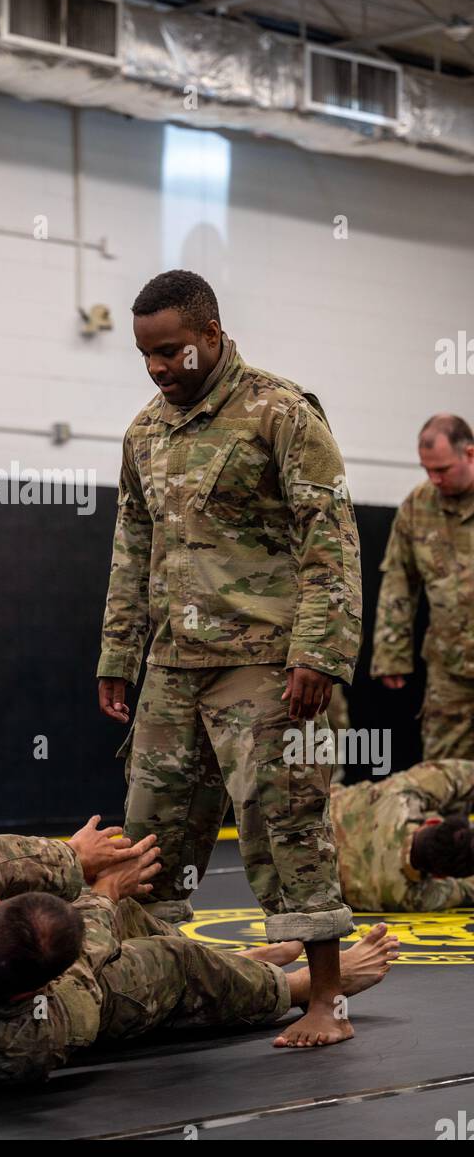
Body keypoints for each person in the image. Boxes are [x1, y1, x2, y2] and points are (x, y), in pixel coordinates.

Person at [97, 270, 362, 1047]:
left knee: (285, 821)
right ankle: (160, 985)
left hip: (265, 657)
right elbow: (131, 547)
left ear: (211, 335)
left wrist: (318, 651)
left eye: (171, 351)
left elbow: (331, 540)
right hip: (175, 663)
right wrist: (118, 650)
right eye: (145, 355)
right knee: (150, 832)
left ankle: (325, 1001)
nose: (157, 368)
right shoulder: (144, 432)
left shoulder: (281, 412)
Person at [0, 820, 399, 1081]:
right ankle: (293, 987)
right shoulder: (31, 1041)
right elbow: (85, 977)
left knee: (90, 916)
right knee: (161, 969)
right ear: (33, 996)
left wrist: (71, 858)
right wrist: (98, 890)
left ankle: (236, 967)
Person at [370, 414, 474, 760]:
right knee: (443, 769)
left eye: (442, 469)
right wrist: (391, 651)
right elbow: (399, 579)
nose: (434, 478)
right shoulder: (419, 504)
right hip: (450, 668)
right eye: (426, 469)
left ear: (470, 455)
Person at [331, 758, 474, 911]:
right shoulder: (409, 896)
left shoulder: (402, 796)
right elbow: (467, 890)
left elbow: (454, 774)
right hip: (308, 874)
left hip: (308, 812)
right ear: (440, 877)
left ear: (432, 822)